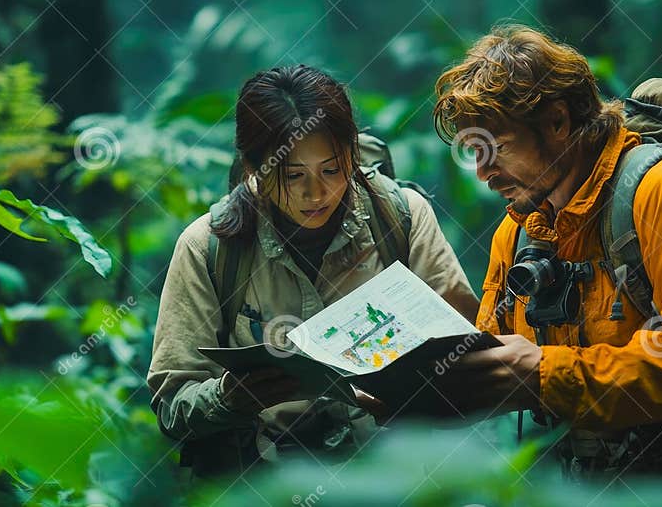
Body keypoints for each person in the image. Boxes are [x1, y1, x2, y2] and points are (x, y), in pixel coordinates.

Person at [429, 25, 662, 477]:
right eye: (473, 153)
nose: (482, 173)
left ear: (557, 122)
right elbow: (493, 366)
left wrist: (546, 373)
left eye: (497, 148)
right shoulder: (516, 234)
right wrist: (411, 392)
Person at [147, 65, 479, 476]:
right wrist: (228, 398)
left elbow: (466, 350)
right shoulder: (208, 247)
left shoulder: (402, 217)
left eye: (332, 169)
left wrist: (411, 392)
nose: (316, 192)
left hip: (392, 477)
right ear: (253, 168)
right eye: (292, 175)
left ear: (352, 155)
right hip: (265, 483)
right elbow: (172, 406)